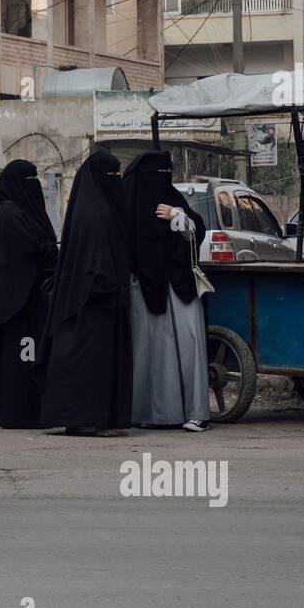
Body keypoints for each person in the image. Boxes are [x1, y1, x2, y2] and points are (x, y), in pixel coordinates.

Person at [37, 151, 133, 437]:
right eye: (113, 176)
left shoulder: (87, 208)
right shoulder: (98, 215)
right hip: (94, 306)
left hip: (82, 306)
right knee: (96, 364)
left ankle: (80, 419)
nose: (117, 182)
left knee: (83, 363)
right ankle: (94, 420)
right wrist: (110, 291)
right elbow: (97, 265)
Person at [123, 150, 210, 432]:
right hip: (144, 288)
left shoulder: (173, 200)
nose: (164, 179)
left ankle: (195, 413)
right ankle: (151, 413)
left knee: (189, 343)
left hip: (178, 286)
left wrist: (177, 216)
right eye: (158, 174)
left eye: (167, 173)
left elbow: (195, 232)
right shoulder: (127, 208)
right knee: (149, 351)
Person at [0, 159, 58, 428]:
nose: (34, 187)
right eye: (29, 180)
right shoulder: (10, 214)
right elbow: (28, 253)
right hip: (15, 305)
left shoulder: (24, 212)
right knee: (17, 363)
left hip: (30, 301)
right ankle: (14, 411)